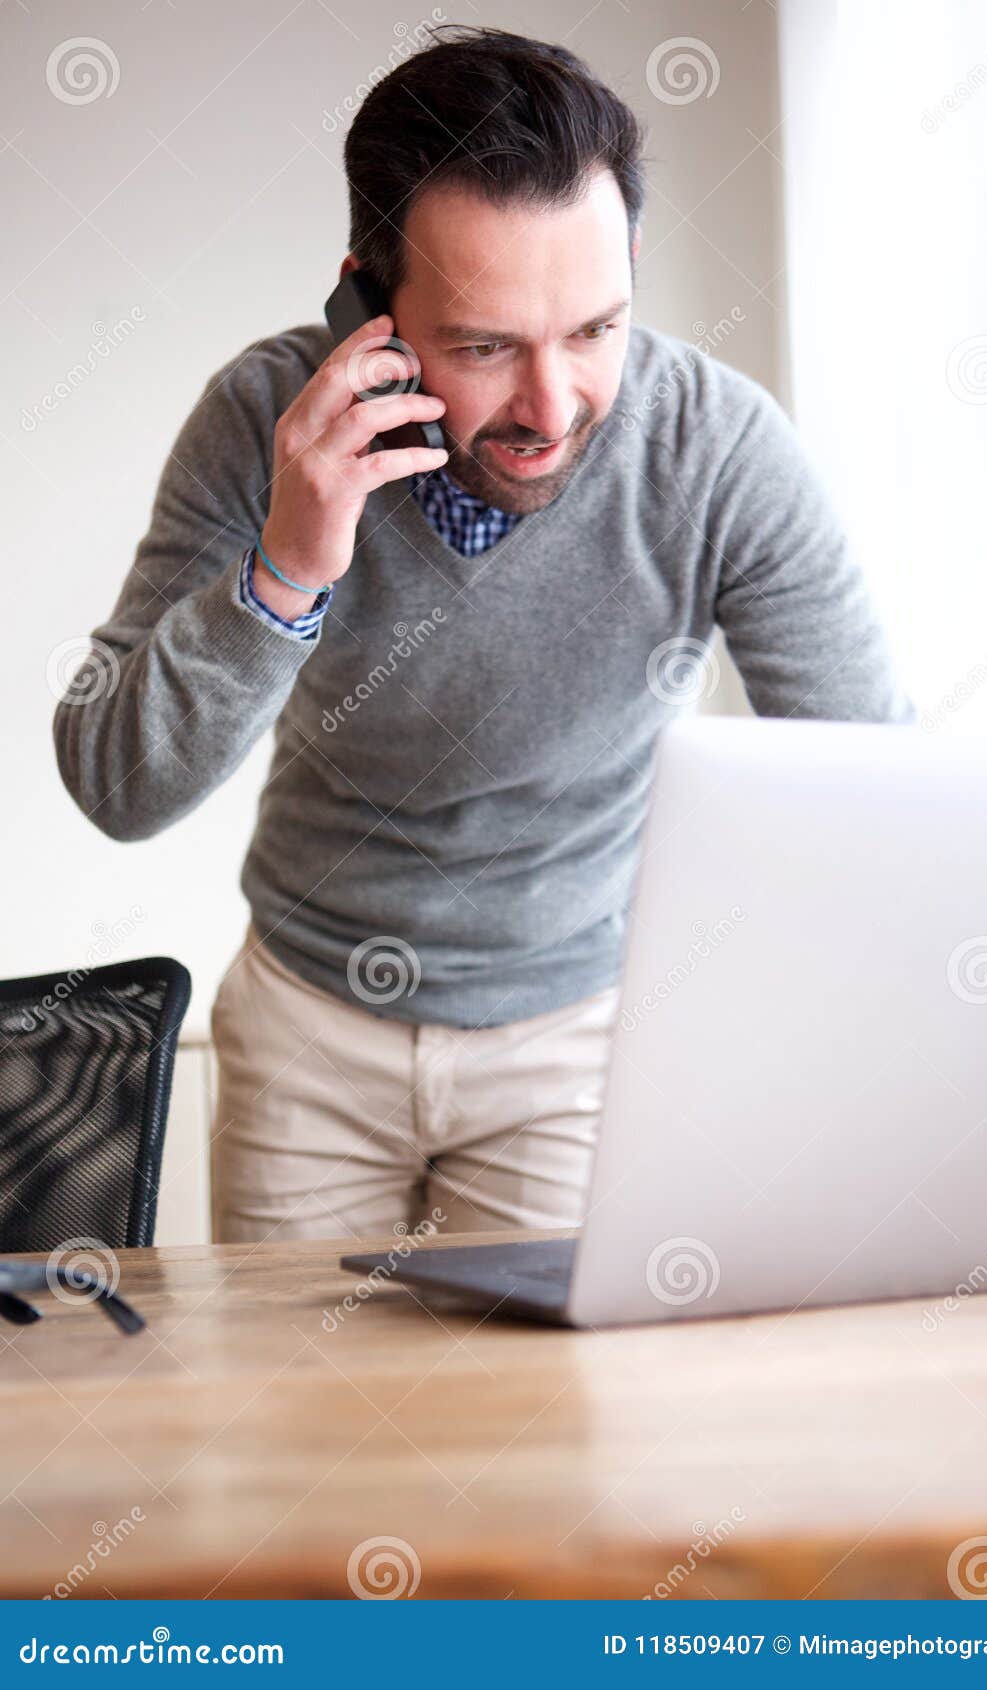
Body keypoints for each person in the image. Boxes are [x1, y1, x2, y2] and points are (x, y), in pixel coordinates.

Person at [53, 26, 915, 1245]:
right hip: (308, 1029)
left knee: (542, 1379)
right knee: (299, 1375)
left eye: (594, 329)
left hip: (574, 1039)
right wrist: (288, 566)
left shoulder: (716, 451)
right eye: (483, 346)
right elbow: (118, 786)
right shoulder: (262, 421)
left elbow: (876, 791)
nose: (552, 407)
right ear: (367, 305)